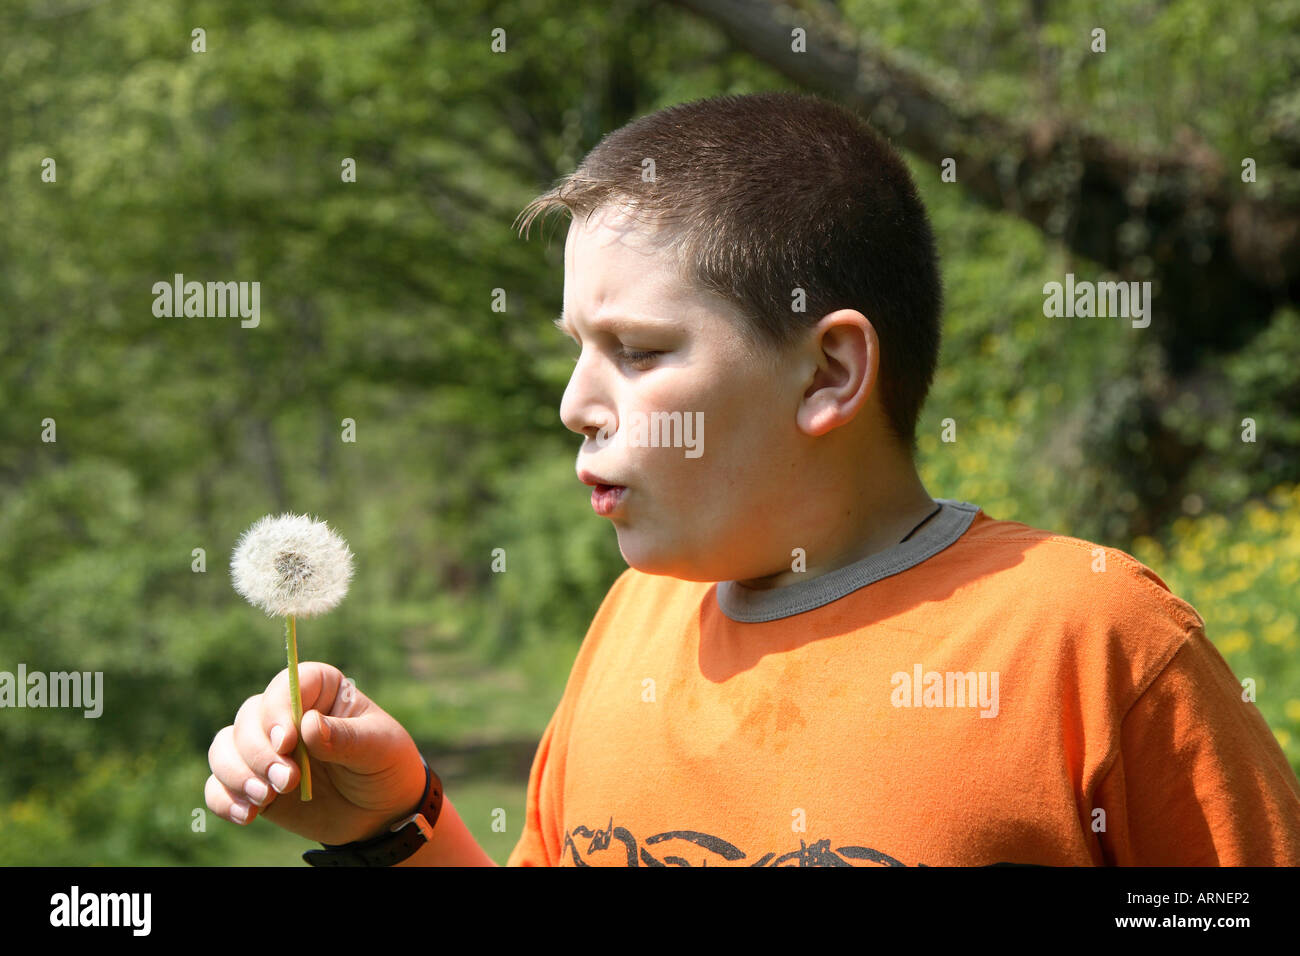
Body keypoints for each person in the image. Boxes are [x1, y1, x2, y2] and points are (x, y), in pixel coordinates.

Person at [205, 91, 1300, 866]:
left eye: (635, 350)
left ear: (828, 371)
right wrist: (393, 825)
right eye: (575, 348)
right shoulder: (635, 617)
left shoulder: (1091, 638)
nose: (575, 402)